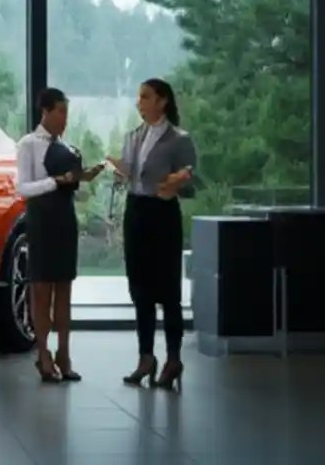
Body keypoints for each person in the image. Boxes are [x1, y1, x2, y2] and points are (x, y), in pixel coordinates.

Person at [107, 78, 197, 390]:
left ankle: (173, 358)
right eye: (139, 97)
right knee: (139, 288)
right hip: (137, 212)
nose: (139, 102)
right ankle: (146, 357)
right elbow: (130, 173)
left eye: (145, 97)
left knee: (168, 290)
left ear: (162, 101)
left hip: (163, 214)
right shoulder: (133, 136)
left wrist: (177, 182)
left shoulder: (179, 139)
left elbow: (192, 180)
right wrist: (120, 170)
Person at [15, 87, 103, 383]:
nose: (65, 118)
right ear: (46, 111)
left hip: (65, 220)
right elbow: (23, 187)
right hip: (41, 220)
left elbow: (74, 188)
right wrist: (55, 181)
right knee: (41, 290)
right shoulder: (28, 144)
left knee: (64, 289)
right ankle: (43, 354)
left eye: (67, 112)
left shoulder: (67, 148)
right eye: (61, 112)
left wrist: (83, 178)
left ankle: (64, 354)